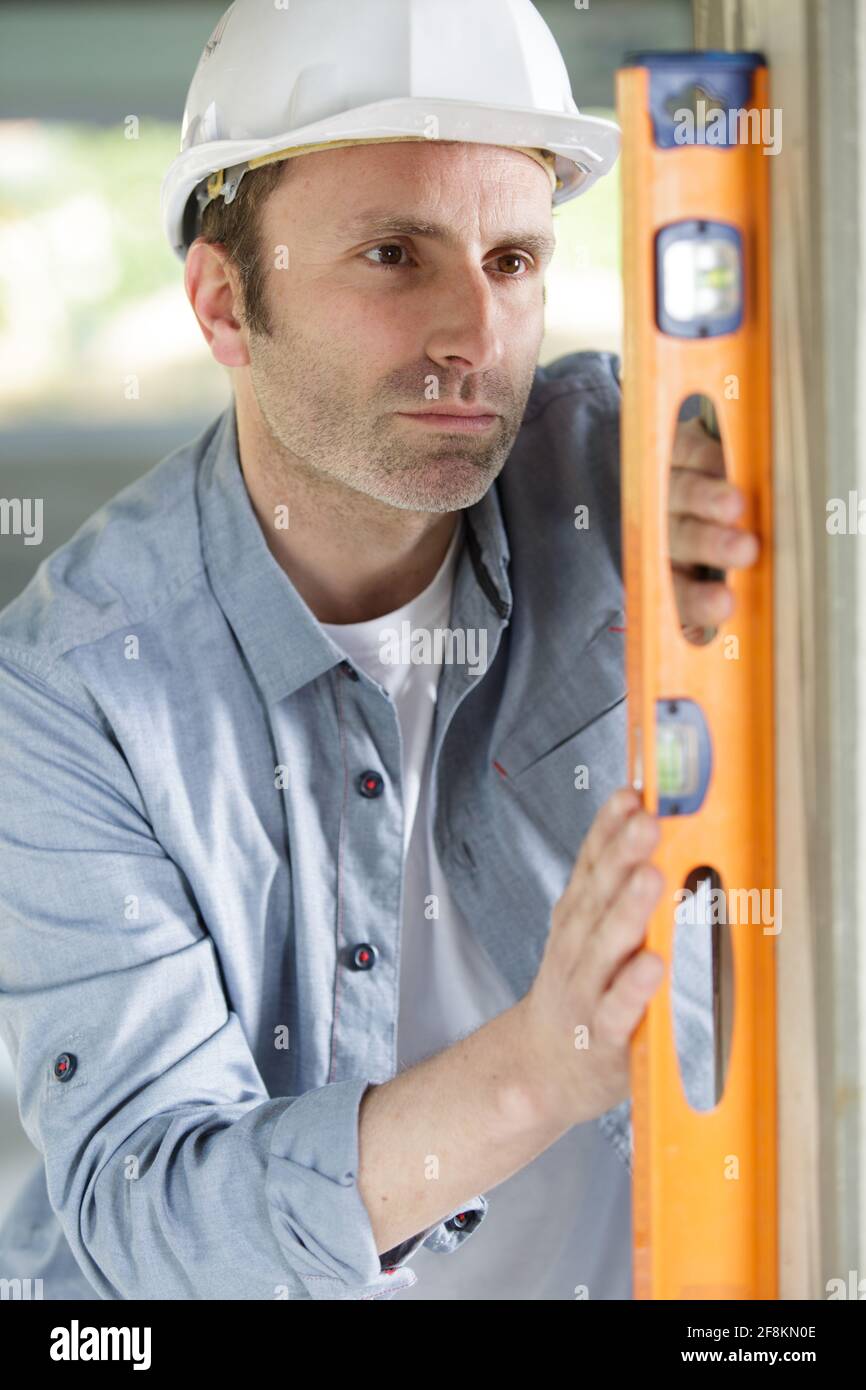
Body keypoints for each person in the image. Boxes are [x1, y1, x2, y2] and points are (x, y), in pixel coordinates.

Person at [0, 0, 759, 1301]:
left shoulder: (620, 480)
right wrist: (543, 1059)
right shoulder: (68, 694)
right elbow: (156, 1217)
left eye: (513, 258)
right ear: (225, 305)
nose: (475, 330)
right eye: (395, 254)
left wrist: (770, 537)